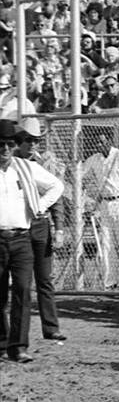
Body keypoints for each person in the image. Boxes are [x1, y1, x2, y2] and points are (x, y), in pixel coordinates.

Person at [0, 118, 63, 361]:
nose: (5, 150)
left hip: (21, 237)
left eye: (9, 144)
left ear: (15, 146)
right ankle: (3, 342)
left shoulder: (25, 167)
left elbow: (56, 186)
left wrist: (39, 207)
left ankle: (18, 347)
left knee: (23, 290)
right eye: (1, 145)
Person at [15, 117, 65, 343]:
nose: (33, 145)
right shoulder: (11, 163)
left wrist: (60, 228)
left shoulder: (44, 165)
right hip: (20, 224)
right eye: (28, 140)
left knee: (44, 279)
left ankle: (51, 327)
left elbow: (58, 198)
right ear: (19, 141)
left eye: (36, 140)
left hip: (40, 223)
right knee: (22, 282)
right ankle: (18, 333)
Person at [82, 129, 119, 291]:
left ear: (109, 141)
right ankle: (109, 281)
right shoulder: (94, 159)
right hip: (104, 202)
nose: (98, 144)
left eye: (101, 141)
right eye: (96, 142)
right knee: (107, 242)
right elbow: (79, 173)